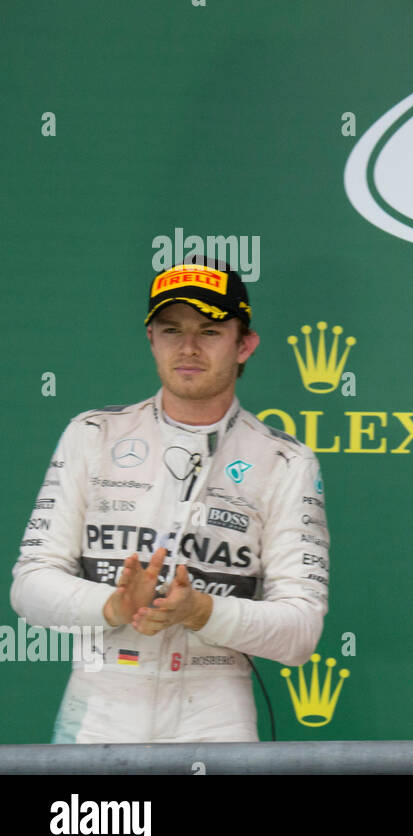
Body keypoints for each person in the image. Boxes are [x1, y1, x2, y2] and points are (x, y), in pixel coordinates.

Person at [11, 256, 329, 743]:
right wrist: (114, 607)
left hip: (217, 713)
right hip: (99, 709)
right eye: (170, 330)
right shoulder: (92, 435)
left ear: (245, 345)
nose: (187, 348)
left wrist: (201, 611)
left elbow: (300, 633)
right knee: (101, 825)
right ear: (151, 340)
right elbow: (29, 586)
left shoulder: (285, 461)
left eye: (209, 331)